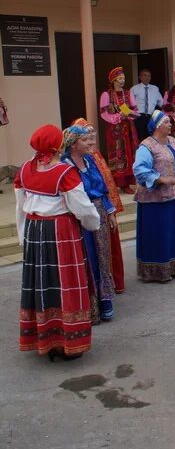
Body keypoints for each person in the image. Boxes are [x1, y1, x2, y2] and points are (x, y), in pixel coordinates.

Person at [15, 125, 100, 361]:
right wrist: (94, 223)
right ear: (58, 145)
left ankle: (45, 338)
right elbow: (82, 207)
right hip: (61, 231)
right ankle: (67, 341)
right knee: (66, 286)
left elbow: (20, 207)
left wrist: (24, 236)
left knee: (41, 285)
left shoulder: (24, 169)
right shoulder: (64, 173)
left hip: (34, 230)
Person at [132, 110, 175, 283]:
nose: (170, 124)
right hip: (156, 201)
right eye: (167, 122)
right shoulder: (146, 146)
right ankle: (156, 270)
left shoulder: (174, 142)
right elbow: (139, 170)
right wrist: (160, 179)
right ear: (156, 125)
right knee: (160, 233)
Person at [62, 125, 117, 322]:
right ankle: (89, 305)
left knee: (102, 255)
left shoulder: (90, 160)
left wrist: (110, 211)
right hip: (78, 215)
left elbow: (102, 187)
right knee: (88, 257)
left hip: (99, 211)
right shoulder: (65, 165)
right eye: (85, 140)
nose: (90, 143)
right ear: (73, 144)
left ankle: (105, 300)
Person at [71, 118, 127, 294]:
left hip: (105, 206)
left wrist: (110, 208)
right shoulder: (79, 159)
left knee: (109, 247)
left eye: (92, 133)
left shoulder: (96, 155)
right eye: (86, 135)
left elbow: (105, 184)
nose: (91, 138)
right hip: (89, 209)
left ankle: (112, 283)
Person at [100, 66, 140, 194]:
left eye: (123, 78)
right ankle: (118, 182)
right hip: (115, 129)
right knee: (118, 153)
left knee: (129, 153)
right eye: (119, 79)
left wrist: (130, 114)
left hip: (128, 127)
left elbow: (135, 110)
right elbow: (104, 113)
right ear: (113, 81)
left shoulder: (128, 93)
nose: (122, 81)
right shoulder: (107, 95)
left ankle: (128, 183)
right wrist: (118, 117)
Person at [130, 68, 163, 142]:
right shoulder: (134, 88)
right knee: (140, 137)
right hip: (138, 116)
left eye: (149, 76)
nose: (147, 77)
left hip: (151, 116)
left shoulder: (155, 89)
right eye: (144, 75)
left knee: (151, 137)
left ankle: (150, 153)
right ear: (140, 77)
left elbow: (161, 103)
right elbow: (130, 103)